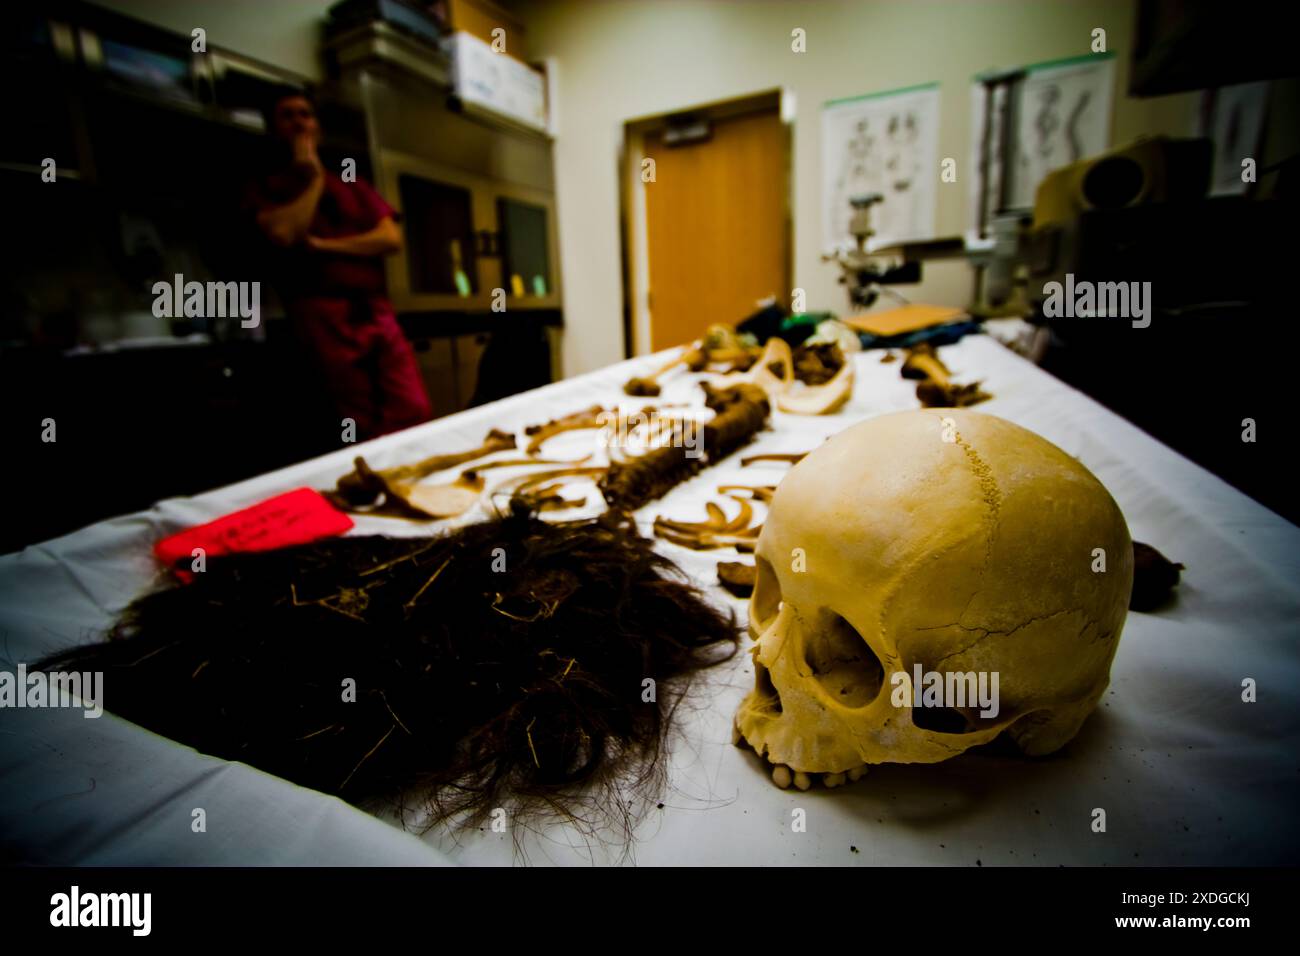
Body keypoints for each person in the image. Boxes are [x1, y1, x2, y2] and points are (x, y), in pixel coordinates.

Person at [245, 89, 431, 440]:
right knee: (356, 422)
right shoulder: (267, 186)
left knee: (413, 408)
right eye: (288, 115)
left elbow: (390, 239)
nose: (299, 122)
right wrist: (312, 178)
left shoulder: (351, 184)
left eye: (305, 114)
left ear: (318, 126)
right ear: (273, 127)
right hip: (322, 317)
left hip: (375, 311)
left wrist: (322, 245)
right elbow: (285, 233)